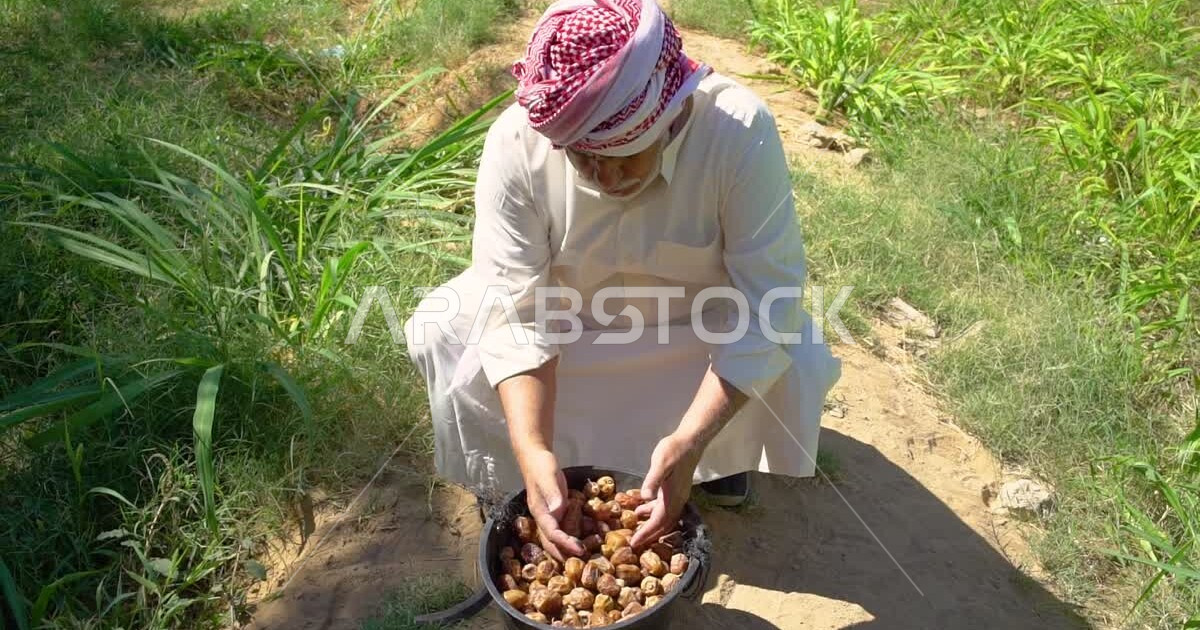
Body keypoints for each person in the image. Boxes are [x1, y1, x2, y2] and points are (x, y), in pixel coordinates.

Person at [405, 0, 840, 559]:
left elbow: (768, 302)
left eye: (621, 155)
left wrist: (691, 441)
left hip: (692, 323)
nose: (602, 175)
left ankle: (715, 462)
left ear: (669, 113)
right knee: (443, 330)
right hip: (571, 317)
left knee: (793, 349)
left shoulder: (737, 132)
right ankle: (529, 480)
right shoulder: (517, 141)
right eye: (581, 158)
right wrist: (532, 448)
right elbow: (515, 308)